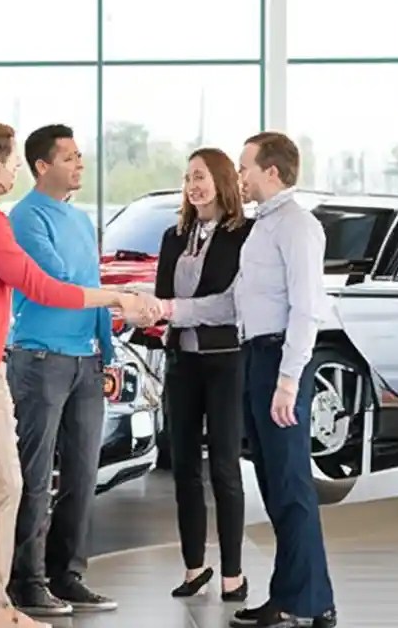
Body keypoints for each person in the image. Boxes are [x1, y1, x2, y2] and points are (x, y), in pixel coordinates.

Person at [0, 120, 156, 628]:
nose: (14, 171)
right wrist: (119, 297)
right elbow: (43, 286)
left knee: (7, 480)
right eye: (10, 162)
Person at [4, 124, 119, 618]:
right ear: (41, 166)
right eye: (69, 157)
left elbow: (91, 286)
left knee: (82, 473)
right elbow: (60, 280)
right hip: (41, 360)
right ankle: (25, 580)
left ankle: (66, 574)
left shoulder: (79, 220)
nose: (79, 164)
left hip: (85, 360)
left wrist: (107, 354)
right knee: (34, 475)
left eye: (79, 156)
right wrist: (119, 301)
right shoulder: (25, 218)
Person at [228, 132, 337, 628]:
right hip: (258, 357)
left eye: (245, 166)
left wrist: (289, 380)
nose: (240, 175)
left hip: (279, 362)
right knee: (276, 484)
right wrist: (168, 307)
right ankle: (307, 597)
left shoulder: (296, 226)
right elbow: (240, 300)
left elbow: (307, 308)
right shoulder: (263, 227)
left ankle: (300, 601)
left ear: (272, 171)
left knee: (290, 484)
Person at [151, 147, 253, 602]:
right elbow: (161, 298)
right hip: (182, 362)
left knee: (226, 469)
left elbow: (229, 306)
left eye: (202, 176)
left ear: (223, 181)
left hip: (226, 361)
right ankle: (195, 569)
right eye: (189, 176)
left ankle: (233, 575)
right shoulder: (174, 236)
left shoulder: (245, 235)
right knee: (185, 469)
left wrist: (177, 310)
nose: (194, 185)